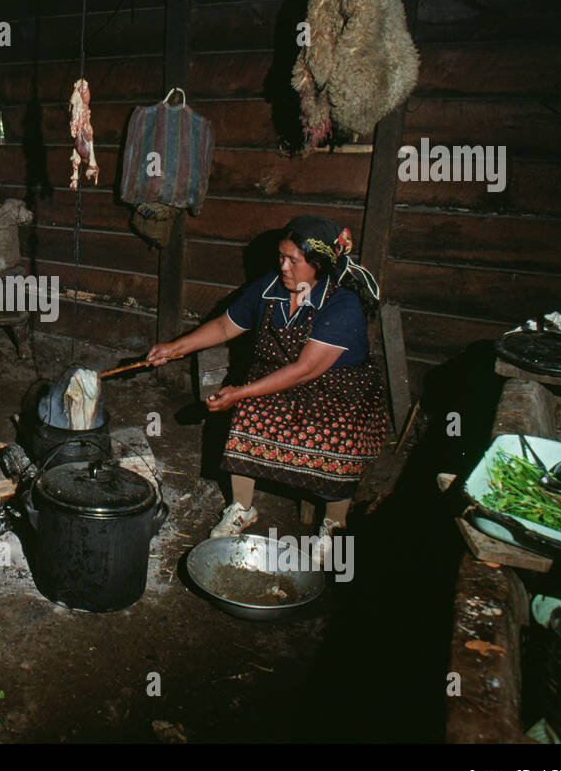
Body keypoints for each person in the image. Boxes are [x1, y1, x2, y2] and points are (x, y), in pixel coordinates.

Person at [147, 216, 387, 561]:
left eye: (293, 260)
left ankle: (335, 524)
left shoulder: (341, 304)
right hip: (279, 377)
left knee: (338, 432)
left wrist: (238, 392)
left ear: (318, 265)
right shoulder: (268, 287)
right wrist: (175, 348)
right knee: (247, 417)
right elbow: (223, 327)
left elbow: (305, 369)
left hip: (338, 389)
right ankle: (242, 507)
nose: (283, 266)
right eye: (280, 257)